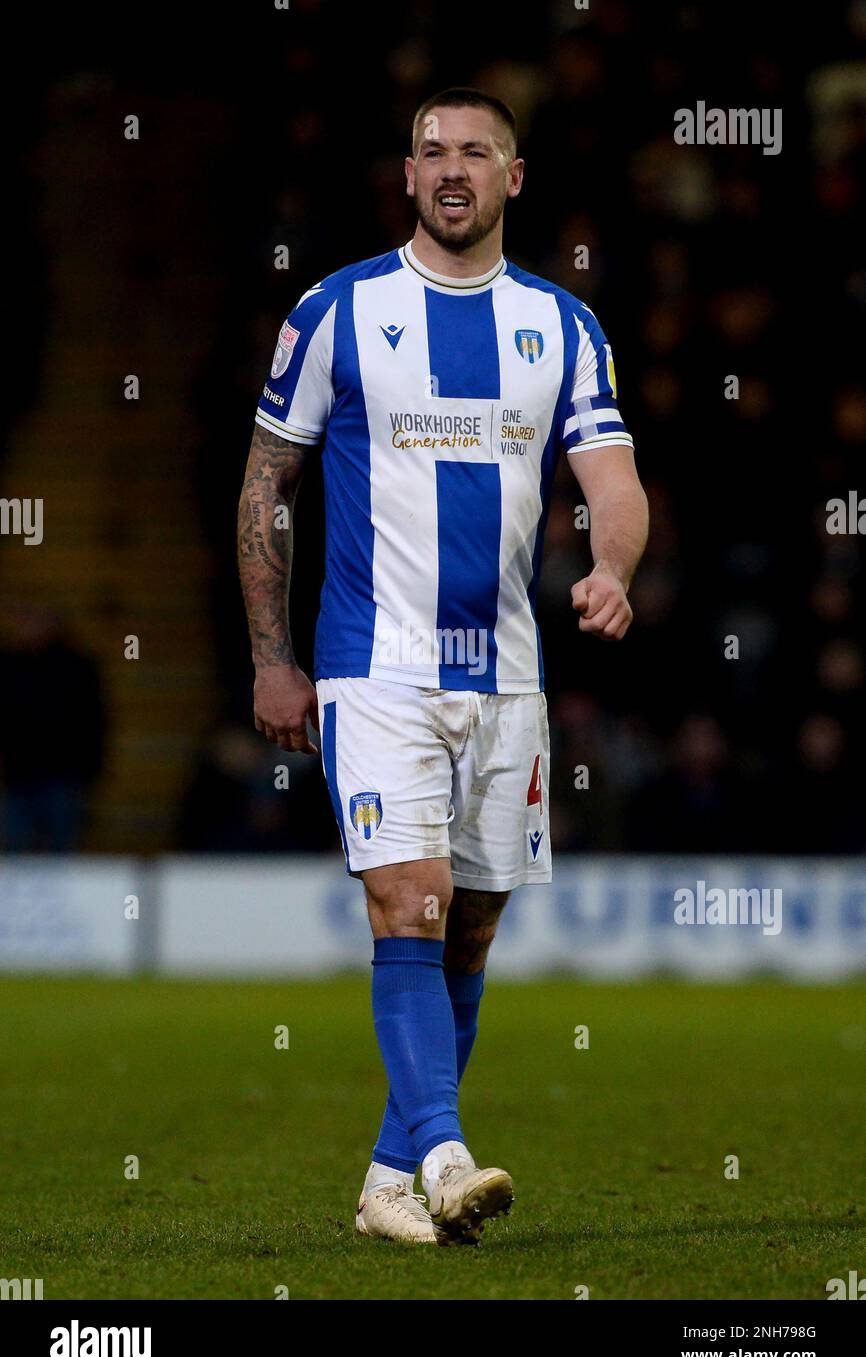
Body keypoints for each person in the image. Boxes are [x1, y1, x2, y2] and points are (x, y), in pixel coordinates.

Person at [237, 88, 648, 1246]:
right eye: (431, 152)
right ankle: (447, 1151)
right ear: (407, 177)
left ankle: (384, 1180)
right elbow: (267, 487)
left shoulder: (562, 326)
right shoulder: (338, 311)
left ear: (513, 178)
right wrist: (274, 658)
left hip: (506, 678)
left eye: (475, 150)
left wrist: (610, 567)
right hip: (372, 665)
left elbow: (611, 482)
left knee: (466, 928)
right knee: (405, 903)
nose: (451, 168)